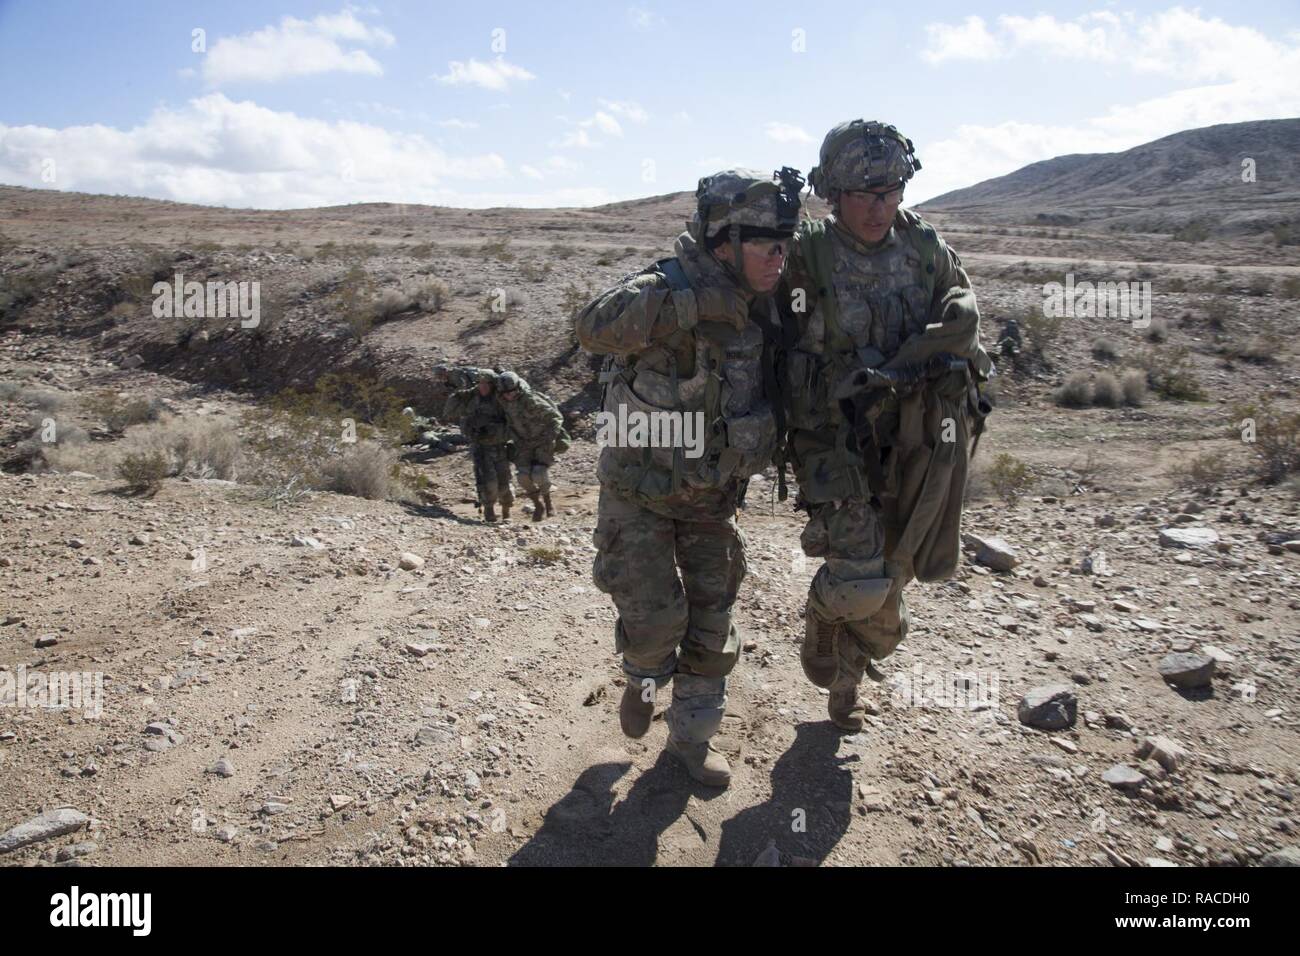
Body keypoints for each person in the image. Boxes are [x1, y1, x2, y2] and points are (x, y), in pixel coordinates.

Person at [575, 166, 803, 787]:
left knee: (712, 627)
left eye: (787, 237)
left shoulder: (773, 305)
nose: (779, 253)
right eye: (764, 239)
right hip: (638, 495)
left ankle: (690, 744)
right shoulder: (669, 283)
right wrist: (694, 304)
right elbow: (592, 325)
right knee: (653, 626)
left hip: (713, 501)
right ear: (721, 240)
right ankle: (643, 681)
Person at [779, 120, 991, 731]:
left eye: (890, 192)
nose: (878, 209)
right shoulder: (808, 253)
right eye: (863, 195)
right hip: (831, 433)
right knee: (860, 575)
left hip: (913, 434)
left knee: (894, 577)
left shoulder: (923, 246)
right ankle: (826, 611)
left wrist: (912, 361)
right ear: (831, 192)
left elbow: (962, 309)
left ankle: (846, 680)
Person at [442, 369, 514, 522]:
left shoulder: (501, 400)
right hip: (480, 446)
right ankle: (489, 511)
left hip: (500, 446)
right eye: (480, 383)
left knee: (504, 481)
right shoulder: (472, 398)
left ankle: (506, 511)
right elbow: (449, 412)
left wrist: (496, 429)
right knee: (488, 481)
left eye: (486, 383)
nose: (482, 387)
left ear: (493, 385)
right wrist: (459, 394)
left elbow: (513, 421)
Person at [495, 370, 565, 522]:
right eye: (505, 393)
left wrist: (548, 438)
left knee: (539, 474)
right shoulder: (503, 402)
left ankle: (548, 503)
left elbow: (555, 418)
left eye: (512, 392)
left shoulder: (531, 399)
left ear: (518, 388)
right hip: (523, 444)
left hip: (542, 442)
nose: (509, 395)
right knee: (522, 478)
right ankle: (537, 505)